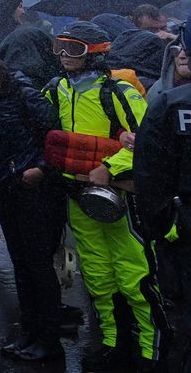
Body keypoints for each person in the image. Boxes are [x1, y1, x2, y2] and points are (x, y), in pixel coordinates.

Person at [43, 21, 160, 369]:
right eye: (60, 47)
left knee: (134, 272)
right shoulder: (56, 88)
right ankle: (111, 339)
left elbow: (147, 141)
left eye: (74, 48)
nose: (64, 56)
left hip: (119, 195)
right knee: (95, 270)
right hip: (77, 192)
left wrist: (109, 168)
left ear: (94, 53)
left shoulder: (119, 92)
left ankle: (148, 348)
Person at [0, 49, 64, 362]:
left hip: (36, 190)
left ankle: (48, 338)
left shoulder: (25, 94)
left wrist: (42, 169)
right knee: (21, 264)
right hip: (8, 187)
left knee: (38, 266)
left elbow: (54, 136)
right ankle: (30, 332)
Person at [130, 39, 191, 371]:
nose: (181, 54)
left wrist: (162, 226)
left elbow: (149, 177)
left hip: (181, 229)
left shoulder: (170, 103)